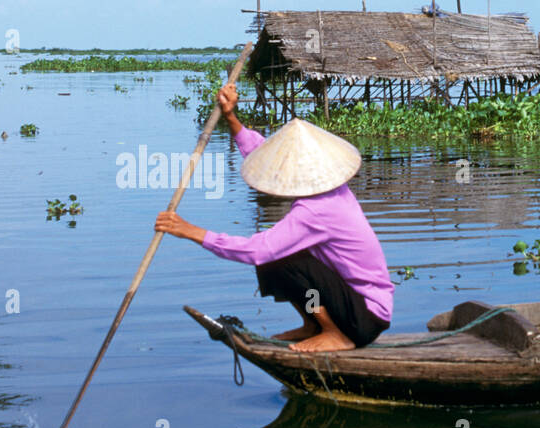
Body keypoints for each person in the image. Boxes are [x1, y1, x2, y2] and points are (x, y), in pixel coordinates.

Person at [155, 84, 394, 352]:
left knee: (279, 261)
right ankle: (313, 322)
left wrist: (192, 232)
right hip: (355, 307)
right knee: (278, 260)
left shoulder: (316, 210)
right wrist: (231, 117)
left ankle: (334, 333)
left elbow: (258, 251)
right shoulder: (331, 189)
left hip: (364, 317)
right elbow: (261, 153)